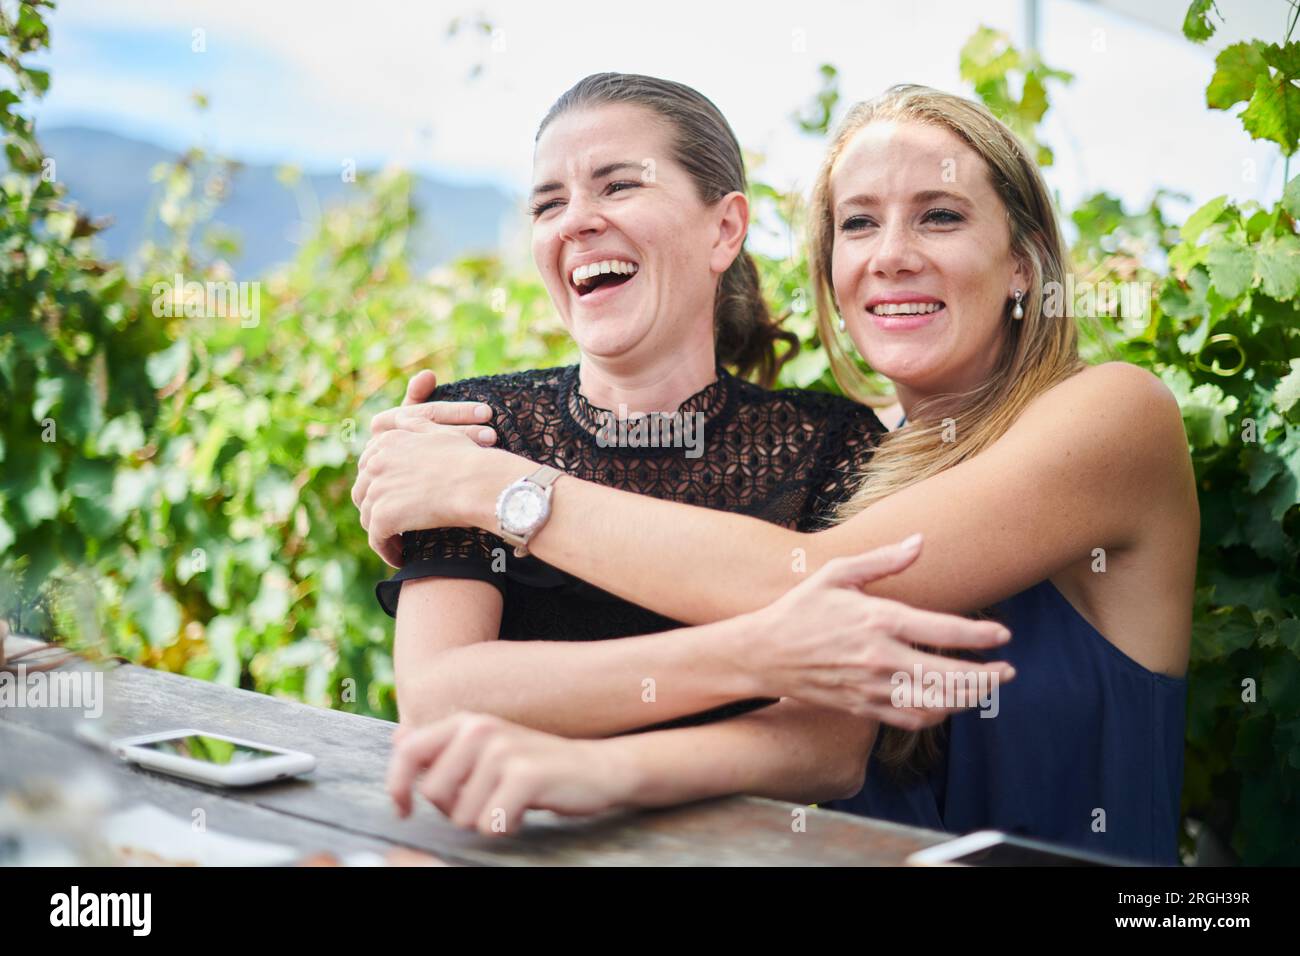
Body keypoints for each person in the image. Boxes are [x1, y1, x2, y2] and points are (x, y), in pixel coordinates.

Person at [358, 83, 1198, 864]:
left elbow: (811, 593)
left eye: (939, 216)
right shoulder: (878, 455)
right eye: (859, 225)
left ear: (1023, 262)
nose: (893, 255)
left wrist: (486, 489)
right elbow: (440, 692)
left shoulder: (1116, 414)